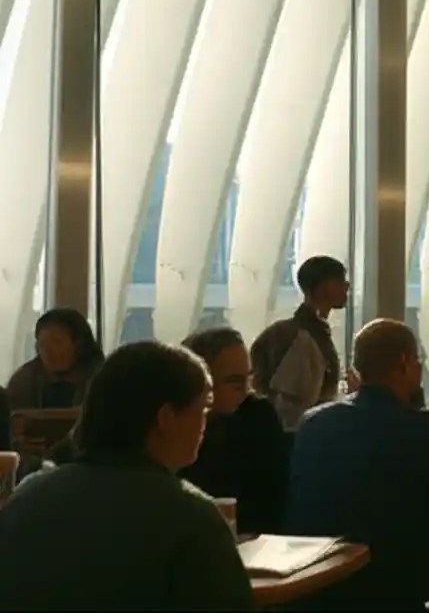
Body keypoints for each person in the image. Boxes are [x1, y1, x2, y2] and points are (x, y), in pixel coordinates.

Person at [0, 341, 253, 610]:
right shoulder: (191, 518)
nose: (205, 424)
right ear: (166, 418)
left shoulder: (25, 499)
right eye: (202, 409)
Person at [286, 319, 429, 611]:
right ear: (404, 363)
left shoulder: (312, 423)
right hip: (396, 577)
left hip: (321, 571)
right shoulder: (427, 429)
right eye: (418, 361)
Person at [180, 327, 288, 535]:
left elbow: (274, 500)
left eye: (248, 378)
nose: (246, 389)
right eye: (234, 381)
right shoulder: (177, 429)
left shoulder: (257, 416)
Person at [250, 255, 349, 430]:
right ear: (320, 288)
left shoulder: (305, 333)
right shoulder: (301, 337)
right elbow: (292, 405)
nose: (346, 286)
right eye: (339, 280)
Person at [7, 308, 104, 410]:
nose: (48, 351)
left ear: (79, 344)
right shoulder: (24, 382)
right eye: (42, 345)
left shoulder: (101, 380)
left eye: (57, 342)